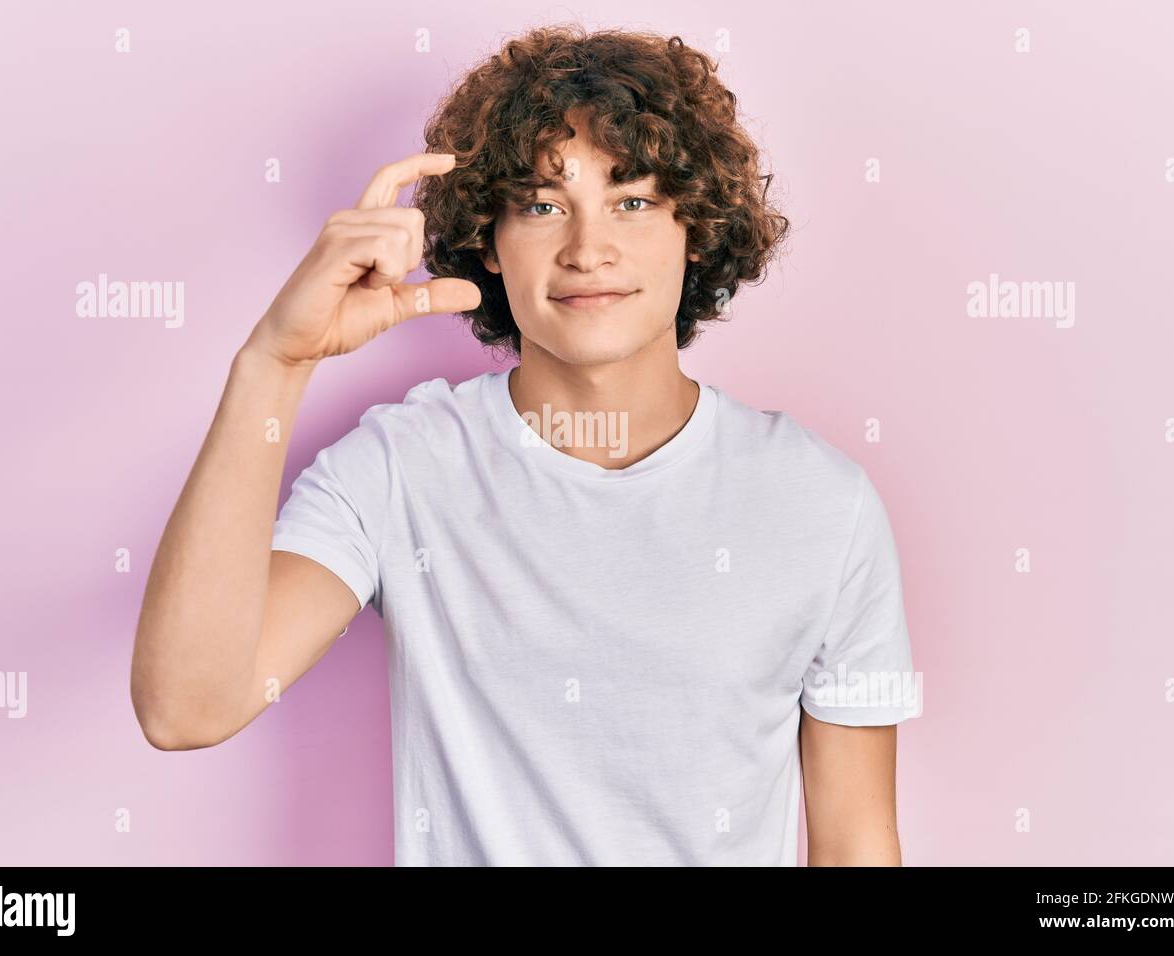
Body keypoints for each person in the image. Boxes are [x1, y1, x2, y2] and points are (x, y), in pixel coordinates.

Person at [130, 23, 919, 866]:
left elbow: (857, 843)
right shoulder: (403, 467)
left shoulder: (823, 503)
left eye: (634, 199)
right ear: (490, 244)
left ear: (698, 228)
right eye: (543, 206)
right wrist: (273, 363)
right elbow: (186, 709)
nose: (588, 249)